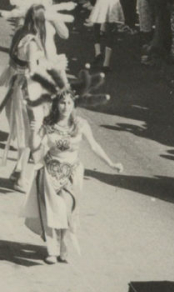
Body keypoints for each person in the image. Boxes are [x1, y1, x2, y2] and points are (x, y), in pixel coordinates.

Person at [22, 83, 122, 263]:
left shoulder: (80, 124)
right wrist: (33, 129)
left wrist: (111, 163)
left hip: (72, 173)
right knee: (52, 211)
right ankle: (52, 251)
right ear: (56, 104)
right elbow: (34, 146)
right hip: (50, 172)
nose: (66, 107)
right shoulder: (48, 123)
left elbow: (94, 146)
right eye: (62, 102)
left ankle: (62, 244)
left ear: (74, 104)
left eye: (69, 103)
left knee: (66, 211)